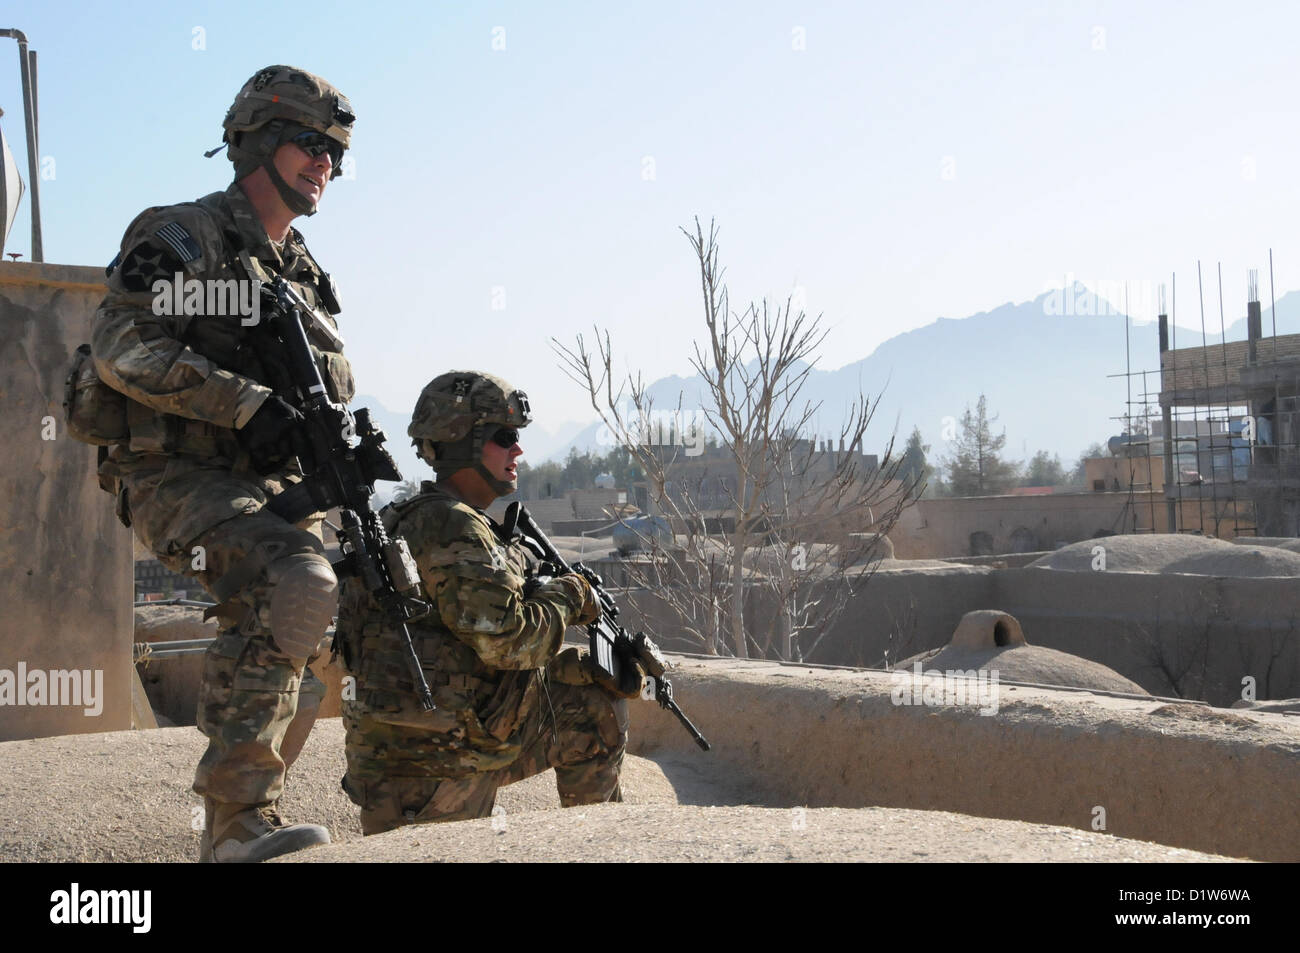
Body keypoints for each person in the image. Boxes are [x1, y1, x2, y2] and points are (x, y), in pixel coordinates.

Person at [90, 65, 357, 862]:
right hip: (178, 477)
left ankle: (395, 816)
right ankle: (234, 823)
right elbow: (120, 345)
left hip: (274, 486)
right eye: (312, 144)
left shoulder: (302, 271)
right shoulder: (183, 236)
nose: (326, 165)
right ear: (260, 139)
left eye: (338, 153)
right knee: (295, 582)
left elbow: (331, 385)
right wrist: (241, 402)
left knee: (368, 611)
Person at [336, 371, 643, 834]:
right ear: (461, 442)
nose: (517, 450)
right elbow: (511, 642)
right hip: (432, 772)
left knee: (589, 697)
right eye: (504, 437)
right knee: (591, 703)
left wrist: (578, 657)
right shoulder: (451, 526)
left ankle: (598, 841)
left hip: (425, 752)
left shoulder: (415, 517)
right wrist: (574, 594)